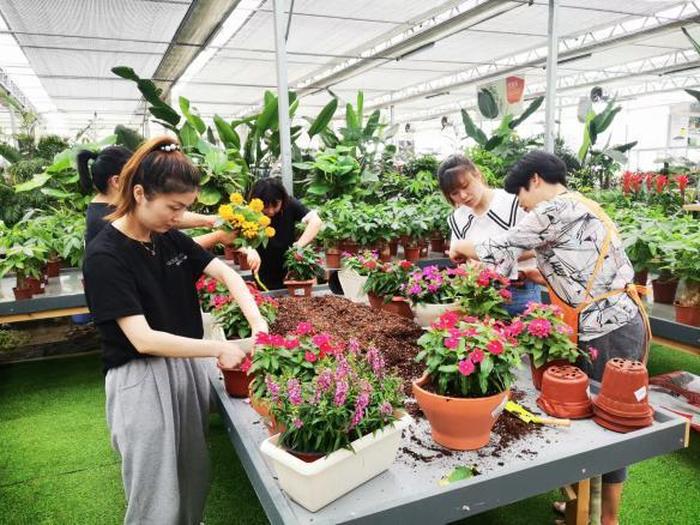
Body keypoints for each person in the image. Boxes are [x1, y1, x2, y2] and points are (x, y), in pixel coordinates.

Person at [449, 150, 651, 525]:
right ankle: (580, 506)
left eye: (522, 198)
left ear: (536, 180)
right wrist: (536, 276)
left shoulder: (556, 208)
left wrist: (460, 247)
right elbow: (583, 269)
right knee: (586, 413)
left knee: (614, 419)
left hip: (612, 328)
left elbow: (500, 246)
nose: (524, 208)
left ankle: (608, 518)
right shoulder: (582, 206)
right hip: (603, 323)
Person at [82, 136, 269, 524]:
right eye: (174, 207)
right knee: (154, 489)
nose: (179, 217)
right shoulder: (105, 254)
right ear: (139, 193)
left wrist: (258, 323)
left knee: (193, 474)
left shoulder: (165, 238)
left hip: (184, 368)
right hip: (140, 378)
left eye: (185, 208)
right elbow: (142, 339)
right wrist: (220, 348)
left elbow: (223, 272)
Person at [438, 154, 540, 316]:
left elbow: (536, 247)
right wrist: (468, 264)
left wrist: (487, 259)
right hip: (480, 296)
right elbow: (461, 258)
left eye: (465, 186)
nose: (463, 196)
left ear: (477, 175)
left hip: (520, 291)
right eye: (454, 193)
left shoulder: (514, 203)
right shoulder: (459, 217)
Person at [77, 147, 229, 248]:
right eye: (135, 175)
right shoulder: (108, 221)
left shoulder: (109, 207)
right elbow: (165, 251)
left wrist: (210, 220)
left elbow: (168, 214)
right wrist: (217, 237)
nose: (142, 179)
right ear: (116, 181)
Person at [242, 177, 323, 289]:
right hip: (262, 272)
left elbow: (316, 221)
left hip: (290, 272)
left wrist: (298, 246)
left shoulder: (290, 204)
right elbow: (236, 237)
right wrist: (249, 250)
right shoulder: (249, 212)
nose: (270, 211)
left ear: (282, 200)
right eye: (265, 207)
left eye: (275, 206)